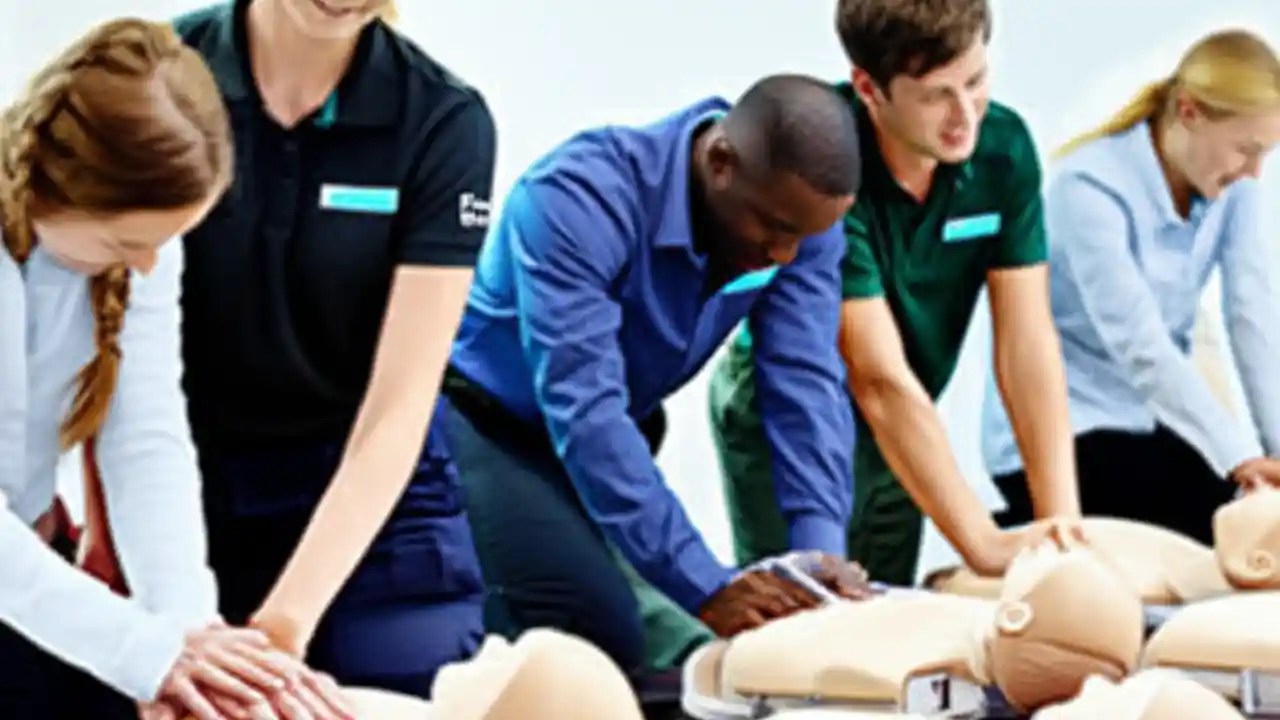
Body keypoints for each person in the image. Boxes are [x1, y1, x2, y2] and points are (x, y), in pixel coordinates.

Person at [78, 0, 498, 700]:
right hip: (183, 481)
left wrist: (280, 632)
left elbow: (399, 406)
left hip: (364, 491)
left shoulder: (443, 121)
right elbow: (106, 330)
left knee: (393, 695)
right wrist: (104, 527)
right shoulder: (155, 73)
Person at [442, 74, 863, 675]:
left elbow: (806, 385)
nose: (785, 255)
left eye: (804, 237)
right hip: (481, 426)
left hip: (620, 431)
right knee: (604, 625)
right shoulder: (575, 198)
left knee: (683, 627)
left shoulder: (795, 219)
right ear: (720, 162)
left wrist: (820, 557)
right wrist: (706, 586)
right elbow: (587, 415)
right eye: (774, 231)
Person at [0, 17, 352, 720]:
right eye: (127, 241)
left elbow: (146, 436)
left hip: (29, 564)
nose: (148, 264)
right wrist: (148, 650)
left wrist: (192, 628)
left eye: (165, 242)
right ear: (55, 185)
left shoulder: (141, 248)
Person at [710, 0, 1080, 587]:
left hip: (906, 418)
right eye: (937, 95)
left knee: (884, 617)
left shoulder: (1002, 149)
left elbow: (1027, 344)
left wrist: (1063, 524)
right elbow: (875, 376)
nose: (965, 116)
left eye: (976, 81)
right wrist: (983, 545)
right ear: (869, 88)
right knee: (802, 618)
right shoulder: (823, 162)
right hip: (793, 418)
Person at [983, 29, 1280, 544]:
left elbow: (1252, 314)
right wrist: (1240, 459)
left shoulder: (1236, 186)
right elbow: (1141, 348)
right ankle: (1013, 528)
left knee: (1250, 519)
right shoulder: (1088, 188)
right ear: (1189, 112)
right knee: (1219, 528)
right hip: (1067, 434)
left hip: (1152, 426)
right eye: (1246, 149)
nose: (1254, 171)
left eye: (1266, 154)